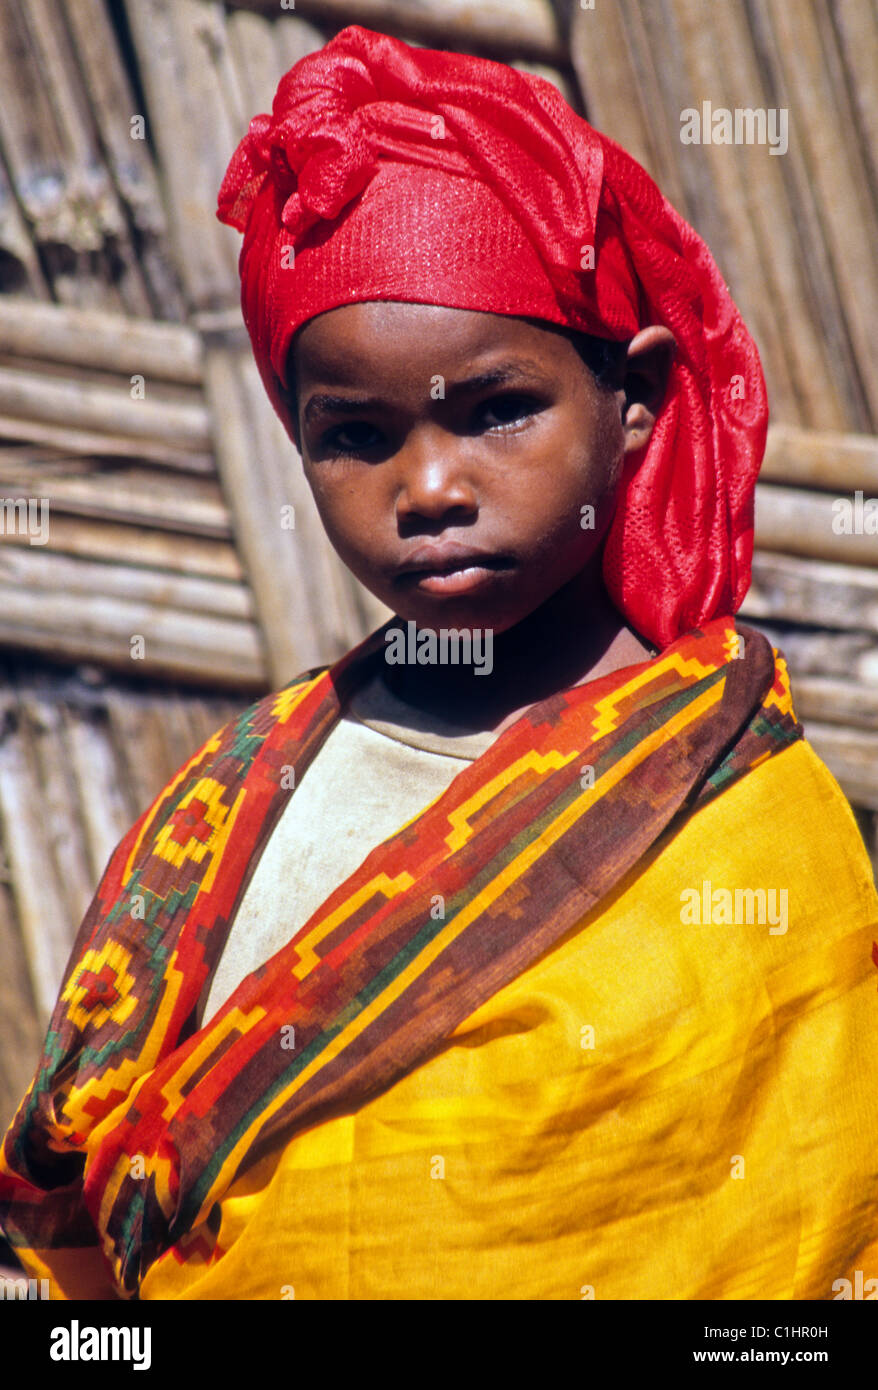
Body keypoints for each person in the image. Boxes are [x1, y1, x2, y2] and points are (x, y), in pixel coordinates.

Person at [1, 24, 876, 1302]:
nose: (427, 488)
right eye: (355, 435)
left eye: (495, 411)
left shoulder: (745, 841)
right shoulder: (241, 790)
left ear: (629, 398)